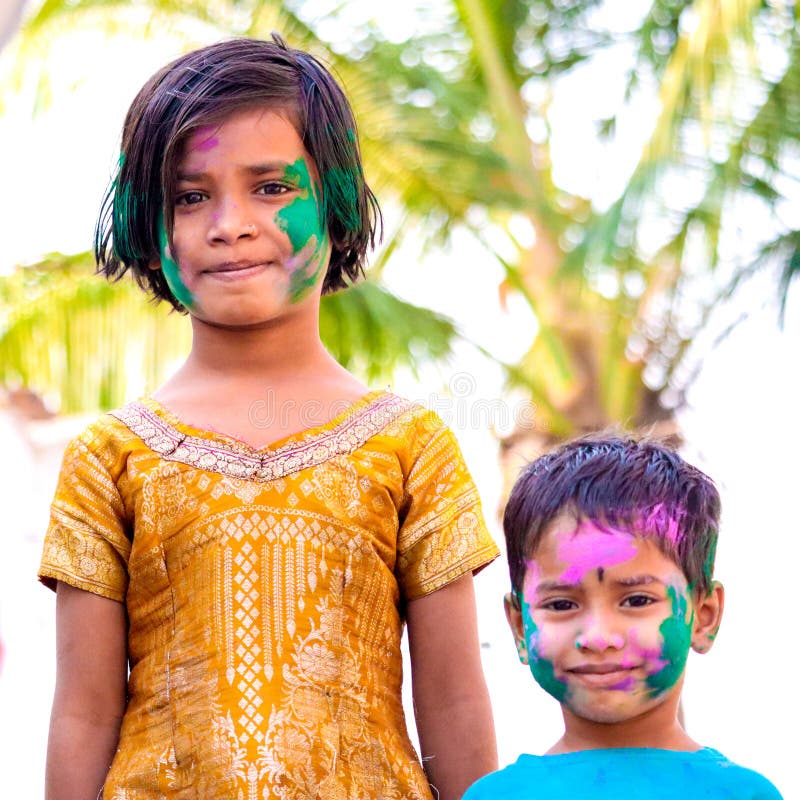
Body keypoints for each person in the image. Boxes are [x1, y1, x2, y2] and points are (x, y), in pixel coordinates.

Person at [39, 35, 499, 800]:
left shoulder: (411, 447)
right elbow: (83, 715)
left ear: (337, 204)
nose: (231, 224)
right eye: (191, 198)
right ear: (150, 231)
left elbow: (453, 704)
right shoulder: (109, 458)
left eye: (273, 188)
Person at [464, 436, 783, 799]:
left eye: (636, 600)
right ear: (520, 628)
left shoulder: (742, 794)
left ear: (704, 616)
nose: (598, 637)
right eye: (562, 605)